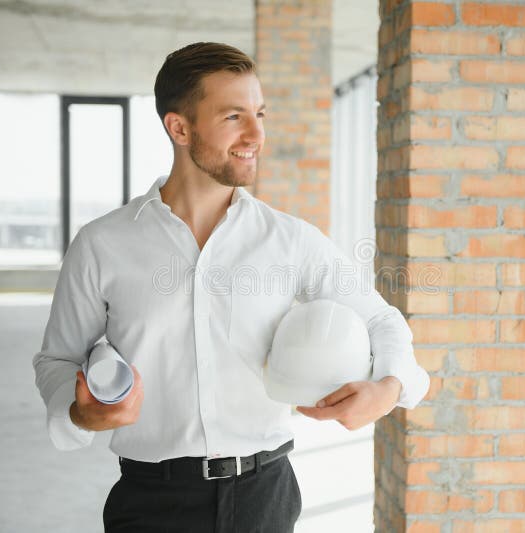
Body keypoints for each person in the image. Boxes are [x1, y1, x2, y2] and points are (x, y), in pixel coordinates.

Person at [33, 42, 429, 532]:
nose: (257, 133)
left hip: (264, 498)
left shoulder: (290, 240)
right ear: (179, 127)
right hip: (151, 504)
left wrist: (388, 388)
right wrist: (79, 415)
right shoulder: (102, 244)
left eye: (260, 113)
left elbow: (381, 320)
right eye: (234, 116)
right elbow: (58, 360)